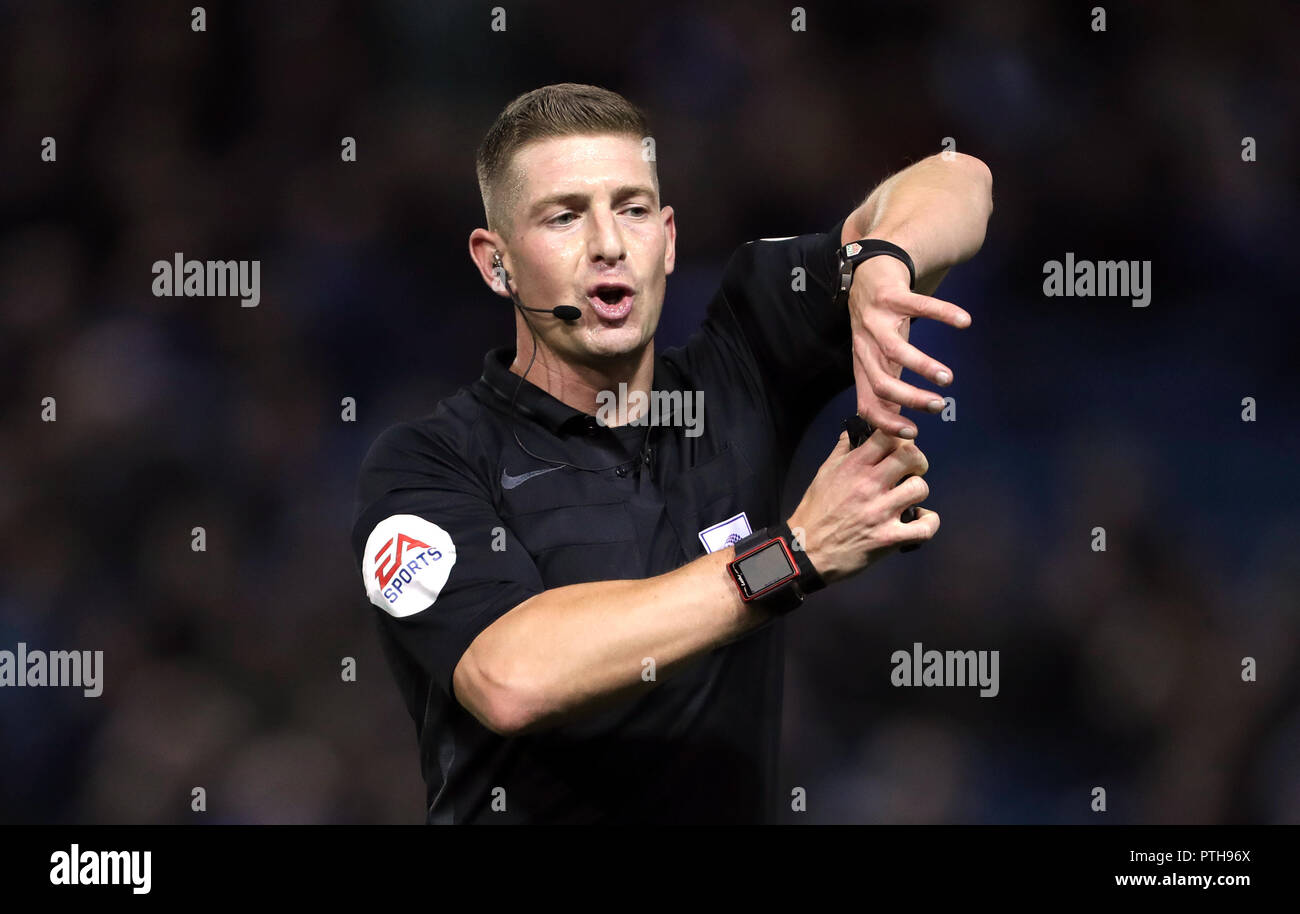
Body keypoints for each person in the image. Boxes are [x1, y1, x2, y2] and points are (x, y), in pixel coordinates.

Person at [350, 83, 993, 823]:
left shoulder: (744, 363)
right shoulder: (428, 464)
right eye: (564, 217)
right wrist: (796, 551)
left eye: (630, 209)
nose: (608, 245)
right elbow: (511, 678)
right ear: (496, 264)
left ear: (669, 238)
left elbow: (961, 181)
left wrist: (883, 261)